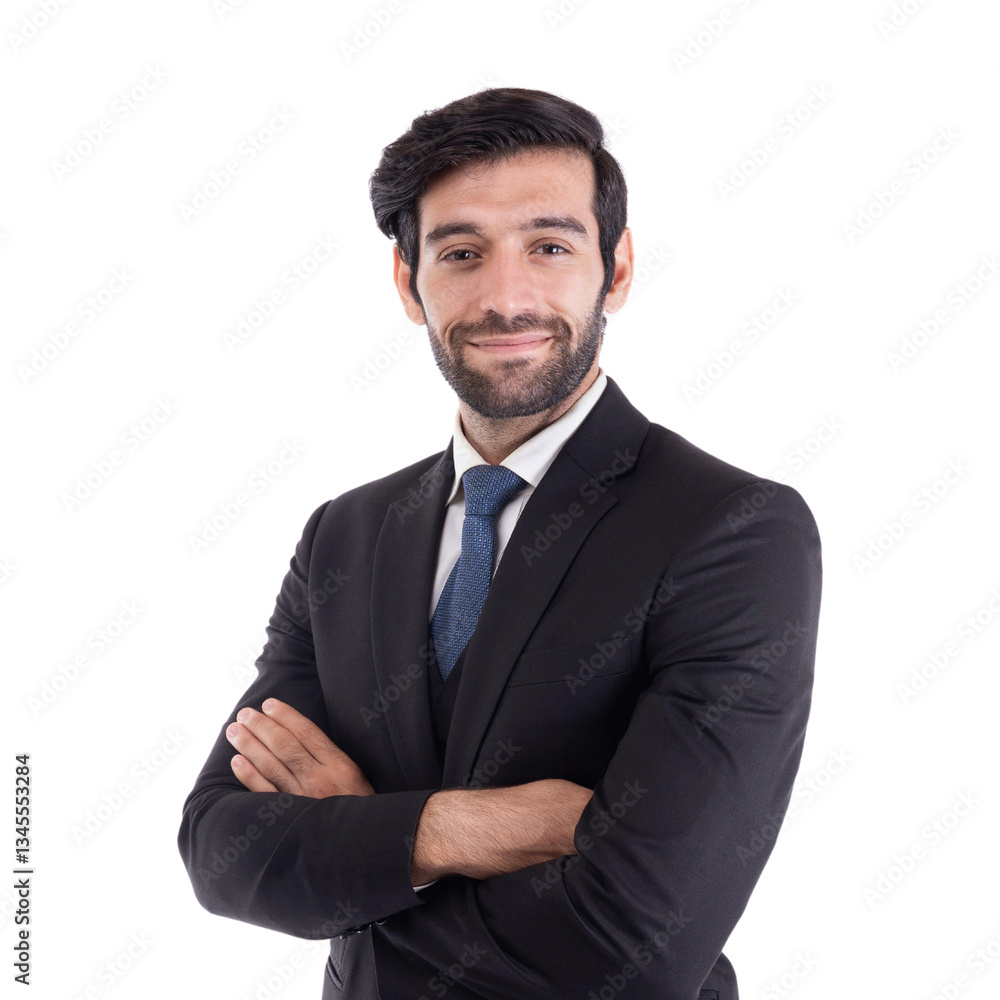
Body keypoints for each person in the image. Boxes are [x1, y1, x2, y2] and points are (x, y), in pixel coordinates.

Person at [177, 87, 822, 1000]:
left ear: (619, 269)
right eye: (462, 253)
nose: (506, 296)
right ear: (410, 283)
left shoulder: (732, 529)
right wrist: (461, 831)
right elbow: (221, 850)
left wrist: (362, 843)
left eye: (551, 248)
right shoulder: (347, 535)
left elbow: (634, 943)